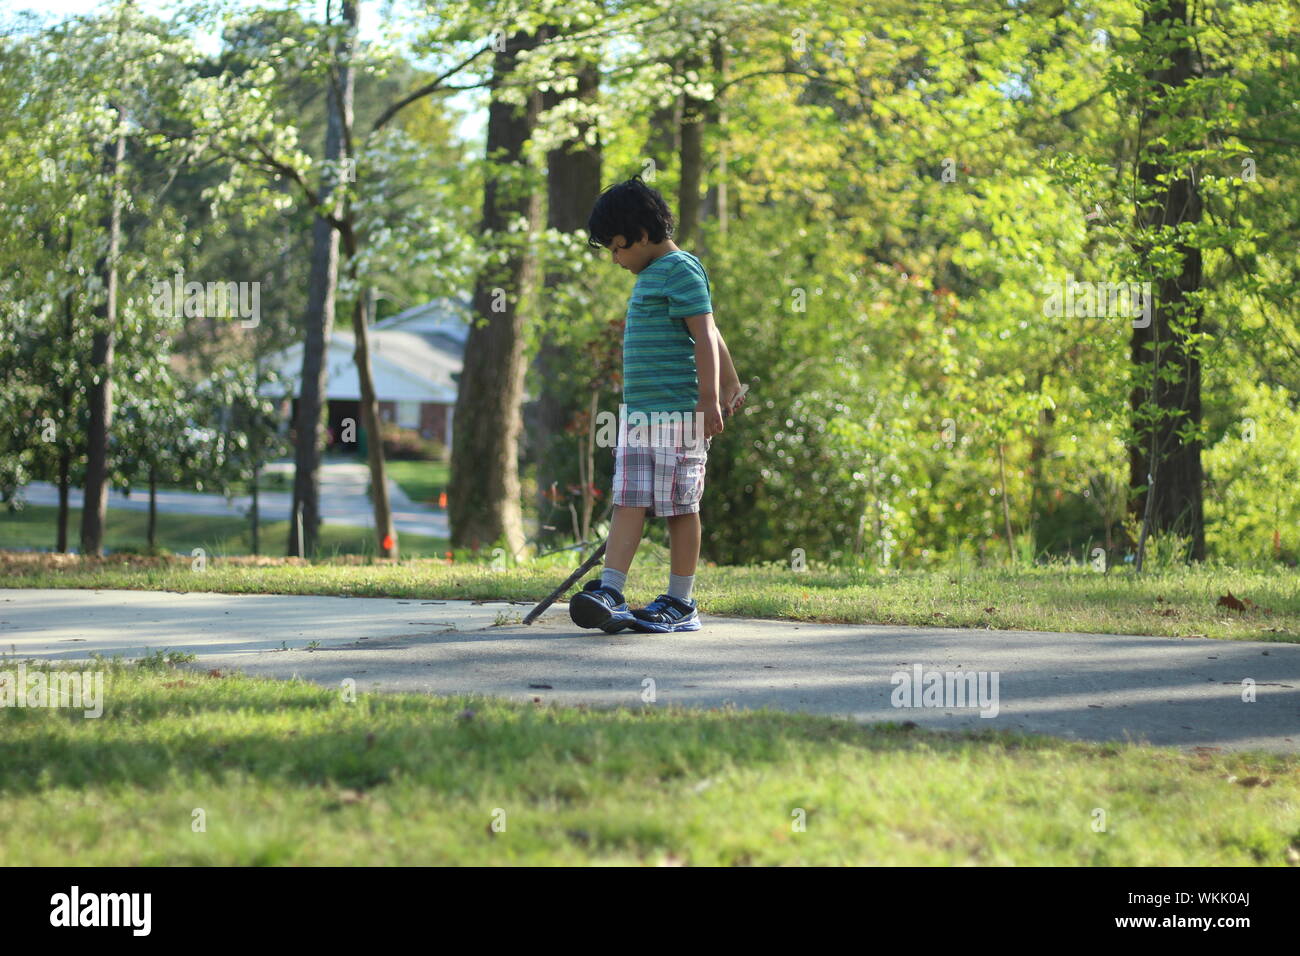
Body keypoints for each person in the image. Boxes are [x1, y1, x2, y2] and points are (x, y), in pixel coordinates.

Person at [569, 175, 746, 634]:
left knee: (680, 507)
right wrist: (732, 381)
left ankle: (681, 602)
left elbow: (704, 332)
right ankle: (610, 590)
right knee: (628, 500)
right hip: (638, 416)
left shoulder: (682, 268)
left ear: (643, 235)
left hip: (679, 415)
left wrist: (710, 399)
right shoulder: (651, 275)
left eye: (617, 248)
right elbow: (711, 331)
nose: (615, 258)